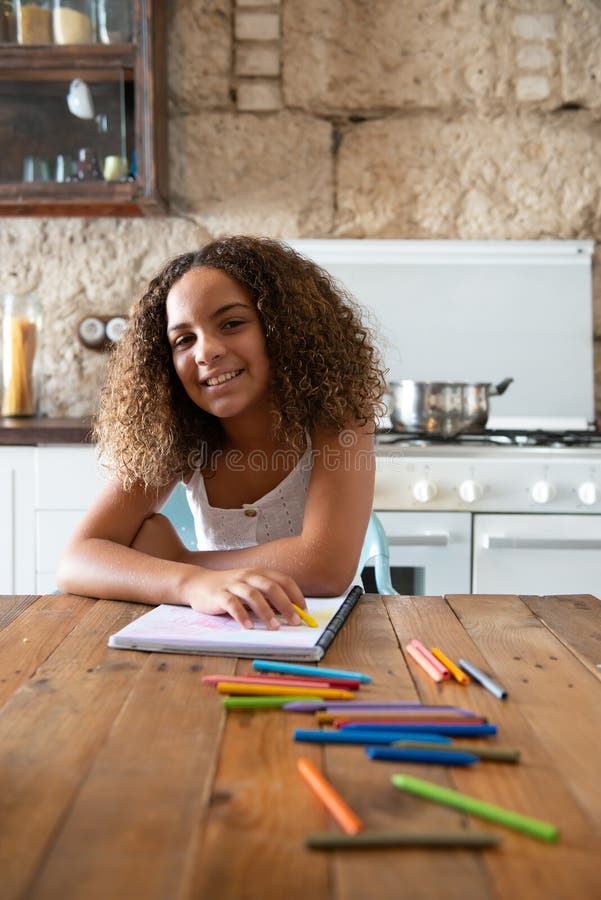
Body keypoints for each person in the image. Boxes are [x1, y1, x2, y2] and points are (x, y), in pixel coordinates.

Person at [57, 236, 386, 630]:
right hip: (224, 634)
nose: (205, 352)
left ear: (283, 330)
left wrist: (180, 562)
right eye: (184, 339)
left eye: (231, 324)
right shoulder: (179, 435)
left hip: (331, 635)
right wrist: (190, 583)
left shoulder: (339, 418)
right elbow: (77, 559)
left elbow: (327, 568)